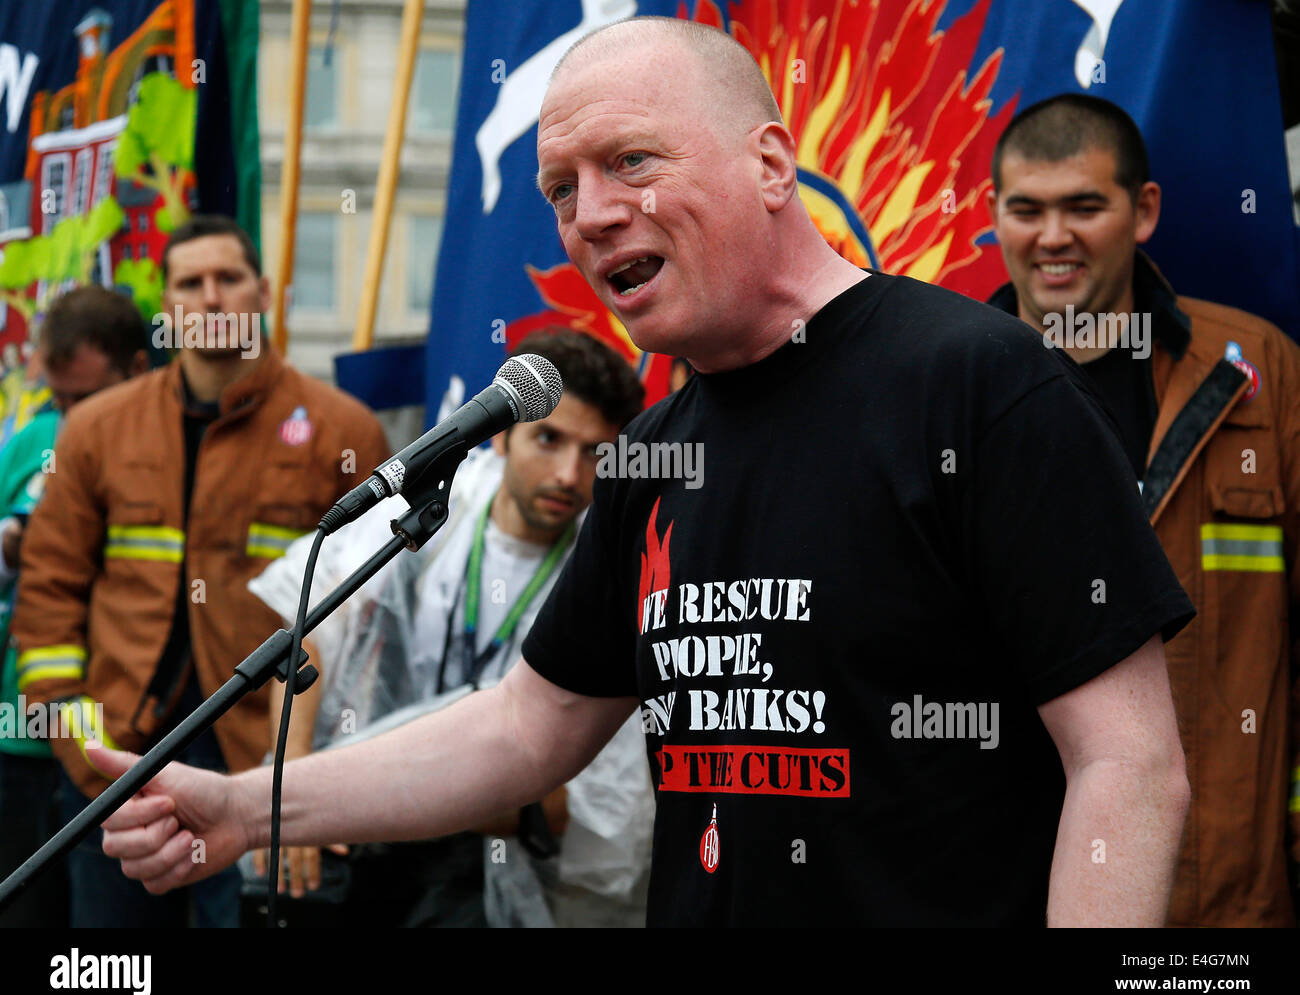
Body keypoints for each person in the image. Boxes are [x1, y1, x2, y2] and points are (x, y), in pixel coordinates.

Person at [89, 18, 1193, 927]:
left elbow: (1130, 766)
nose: (591, 213)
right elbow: (527, 727)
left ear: (769, 163)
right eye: (561, 188)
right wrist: (248, 805)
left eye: (629, 161)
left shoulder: (979, 387)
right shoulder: (658, 450)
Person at [10, 215, 390, 928]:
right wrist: (84, 752)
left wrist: (302, 781)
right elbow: (49, 602)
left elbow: (365, 629)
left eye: (227, 279)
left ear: (264, 292)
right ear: (167, 305)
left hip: (261, 770)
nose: (211, 298)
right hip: (117, 768)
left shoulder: (342, 430)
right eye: (190, 282)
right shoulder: (96, 429)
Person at [985, 93, 1300, 927]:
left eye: (1085, 206)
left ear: (1144, 210)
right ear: (995, 218)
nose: (1054, 237)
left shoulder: (1257, 373)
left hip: (1227, 892)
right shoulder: (935, 389)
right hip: (1005, 883)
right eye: (1028, 209)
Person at [246, 328, 653, 927]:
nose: (569, 473)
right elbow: (307, 630)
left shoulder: (612, 568)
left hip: (477, 877)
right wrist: (297, 781)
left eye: (595, 452)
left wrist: (353, 798)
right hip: (347, 850)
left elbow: (588, 807)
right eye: (549, 438)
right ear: (501, 438)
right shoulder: (432, 505)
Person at [0, 286, 149, 928]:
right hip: (20, 739)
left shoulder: (163, 450)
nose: (71, 421)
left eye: (86, 401)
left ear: (138, 370)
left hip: (120, 748)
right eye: (59, 402)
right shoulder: (28, 441)